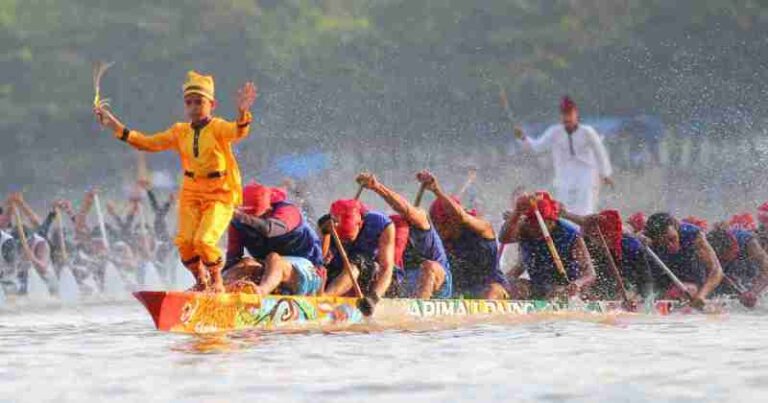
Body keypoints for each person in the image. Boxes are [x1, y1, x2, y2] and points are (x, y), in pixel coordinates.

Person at [94, 71, 258, 292]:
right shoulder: (179, 132)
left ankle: (217, 280)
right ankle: (201, 281)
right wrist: (114, 125)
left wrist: (242, 112)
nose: (193, 107)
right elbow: (147, 143)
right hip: (191, 191)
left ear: (212, 105)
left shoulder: (218, 127)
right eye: (189, 102)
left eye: (199, 102)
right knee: (185, 243)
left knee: (204, 241)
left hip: (220, 193)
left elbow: (238, 131)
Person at [356, 172, 452, 299]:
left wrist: (376, 187)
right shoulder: (386, 233)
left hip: (438, 280)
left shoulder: (422, 221)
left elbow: (406, 209)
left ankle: (418, 308)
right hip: (406, 279)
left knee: (429, 267)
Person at [417, 170, 508, 299]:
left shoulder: (483, 228)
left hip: (487, 289)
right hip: (455, 292)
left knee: (493, 290)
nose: (439, 229)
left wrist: (436, 190)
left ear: (454, 221)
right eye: (435, 223)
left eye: (443, 224)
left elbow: (461, 216)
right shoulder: (437, 239)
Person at [515, 96, 613, 215]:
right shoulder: (555, 132)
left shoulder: (587, 132)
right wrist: (523, 138)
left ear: (576, 114)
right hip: (564, 176)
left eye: (570, 114)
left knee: (585, 208)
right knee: (563, 208)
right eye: (564, 114)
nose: (567, 118)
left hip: (586, 175)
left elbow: (600, 152)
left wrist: (605, 173)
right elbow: (537, 147)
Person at [224, 182, 324, 296]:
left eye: (259, 215)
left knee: (273, 258)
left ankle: (261, 292)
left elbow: (270, 230)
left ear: (269, 208)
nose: (254, 219)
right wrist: (223, 276)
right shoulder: (238, 223)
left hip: (309, 272)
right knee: (245, 263)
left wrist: (241, 216)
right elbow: (232, 259)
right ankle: (220, 292)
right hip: (270, 271)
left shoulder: (288, 211)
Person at [499, 191, 595, 299]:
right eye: (530, 224)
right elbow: (504, 239)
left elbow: (590, 274)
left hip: (564, 288)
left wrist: (577, 284)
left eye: (538, 226)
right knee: (515, 288)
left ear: (551, 222)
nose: (533, 230)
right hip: (538, 286)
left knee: (556, 293)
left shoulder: (571, 235)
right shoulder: (524, 228)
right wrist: (516, 213)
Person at [319, 198, 395, 313]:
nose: (344, 242)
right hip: (339, 268)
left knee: (356, 262)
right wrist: (325, 234)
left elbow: (386, 268)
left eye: (348, 239)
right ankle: (320, 296)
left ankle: (326, 297)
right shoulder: (328, 224)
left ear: (360, 224)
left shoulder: (382, 224)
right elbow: (320, 259)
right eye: (341, 239)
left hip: (368, 272)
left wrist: (373, 298)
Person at [562, 209, 654, 301]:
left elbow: (646, 281)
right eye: (595, 236)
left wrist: (636, 299)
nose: (601, 241)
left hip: (621, 293)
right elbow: (578, 273)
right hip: (592, 293)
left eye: (609, 237)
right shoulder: (584, 243)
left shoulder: (631, 246)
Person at [643, 213, 723, 306]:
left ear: (677, 229)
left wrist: (701, 295)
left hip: (694, 276)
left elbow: (717, 270)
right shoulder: (647, 240)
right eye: (664, 242)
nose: (670, 246)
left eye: (672, 239)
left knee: (692, 288)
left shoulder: (693, 236)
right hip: (666, 279)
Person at [707, 227, 768, 307]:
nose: (726, 260)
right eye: (724, 258)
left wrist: (753, 292)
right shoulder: (707, 248)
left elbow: (766, 270)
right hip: (729, 271)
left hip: (748, 264)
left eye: (727, 256)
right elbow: (717, 274)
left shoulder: (750, 243)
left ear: (734, 247)